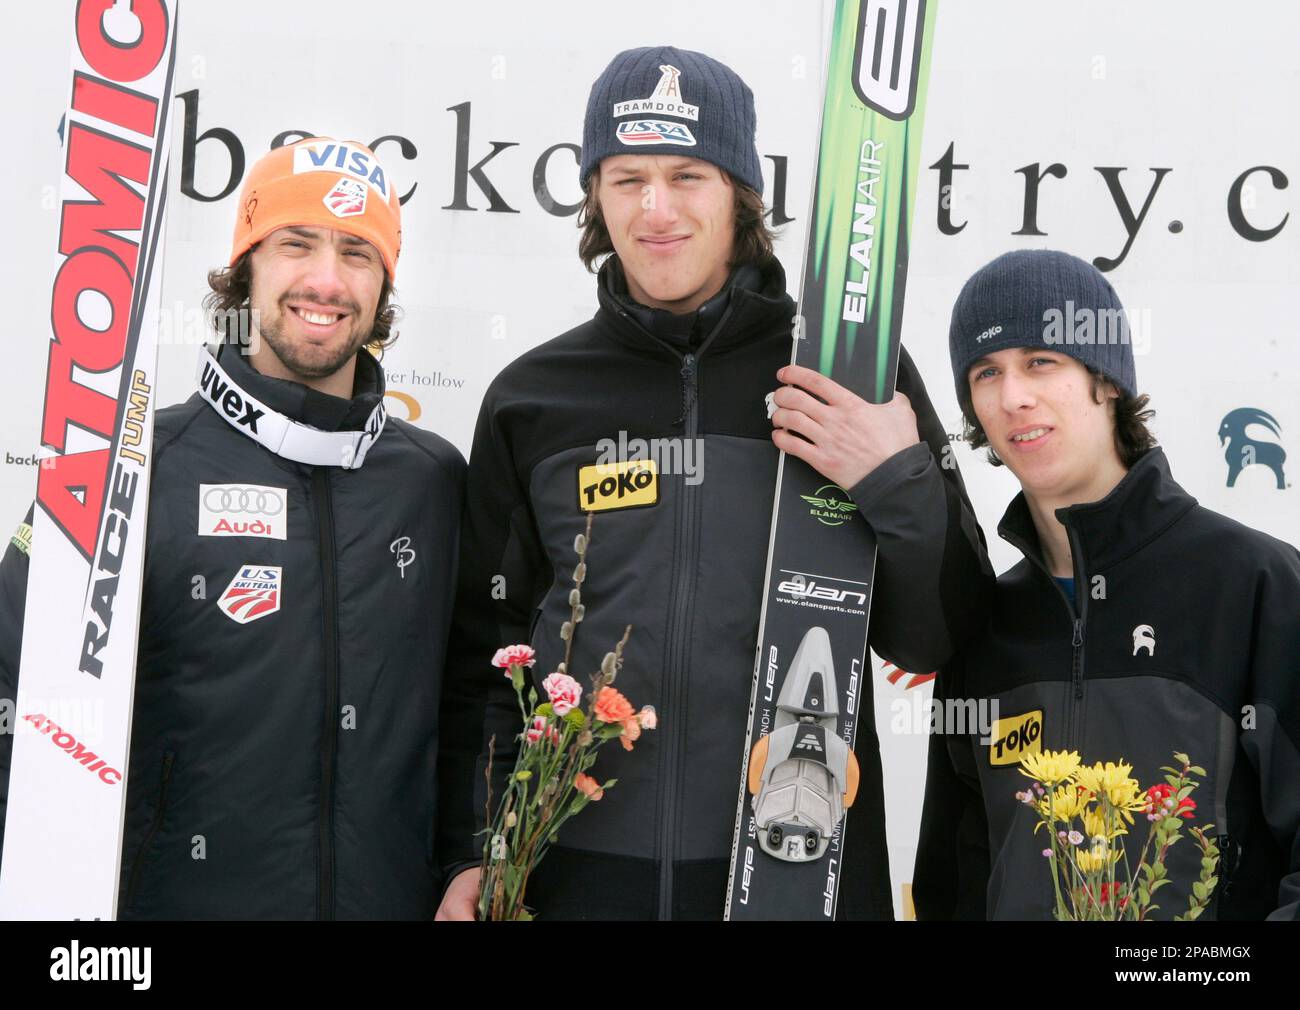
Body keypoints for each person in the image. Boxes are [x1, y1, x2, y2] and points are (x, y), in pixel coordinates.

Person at [436, 46, 992, 921]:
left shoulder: (847, 371)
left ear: (740, 191)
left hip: (798, 875)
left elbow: (942, 637)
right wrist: (475, 852)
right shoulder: (534, 399)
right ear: (594, 196)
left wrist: (899, 477)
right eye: (626, 178)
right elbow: (485, 655)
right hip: (576, 879)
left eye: (687, 174)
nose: (656, 208)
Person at [0, 138, 466, 919]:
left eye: (357, 252)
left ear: (384, 284)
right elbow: (17, 688)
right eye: (295, 243)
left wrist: (465, 855)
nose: (325, 278)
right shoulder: (127, 468)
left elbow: (469, 712)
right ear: (245, 267)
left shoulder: (434, 481)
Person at [913, 249, 1300, 920]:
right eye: (986, 372)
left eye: (1041, 361)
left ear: (1108, 379)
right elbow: (954, 884)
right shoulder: (985, 627)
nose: (1013, 397)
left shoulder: (1254, 584)